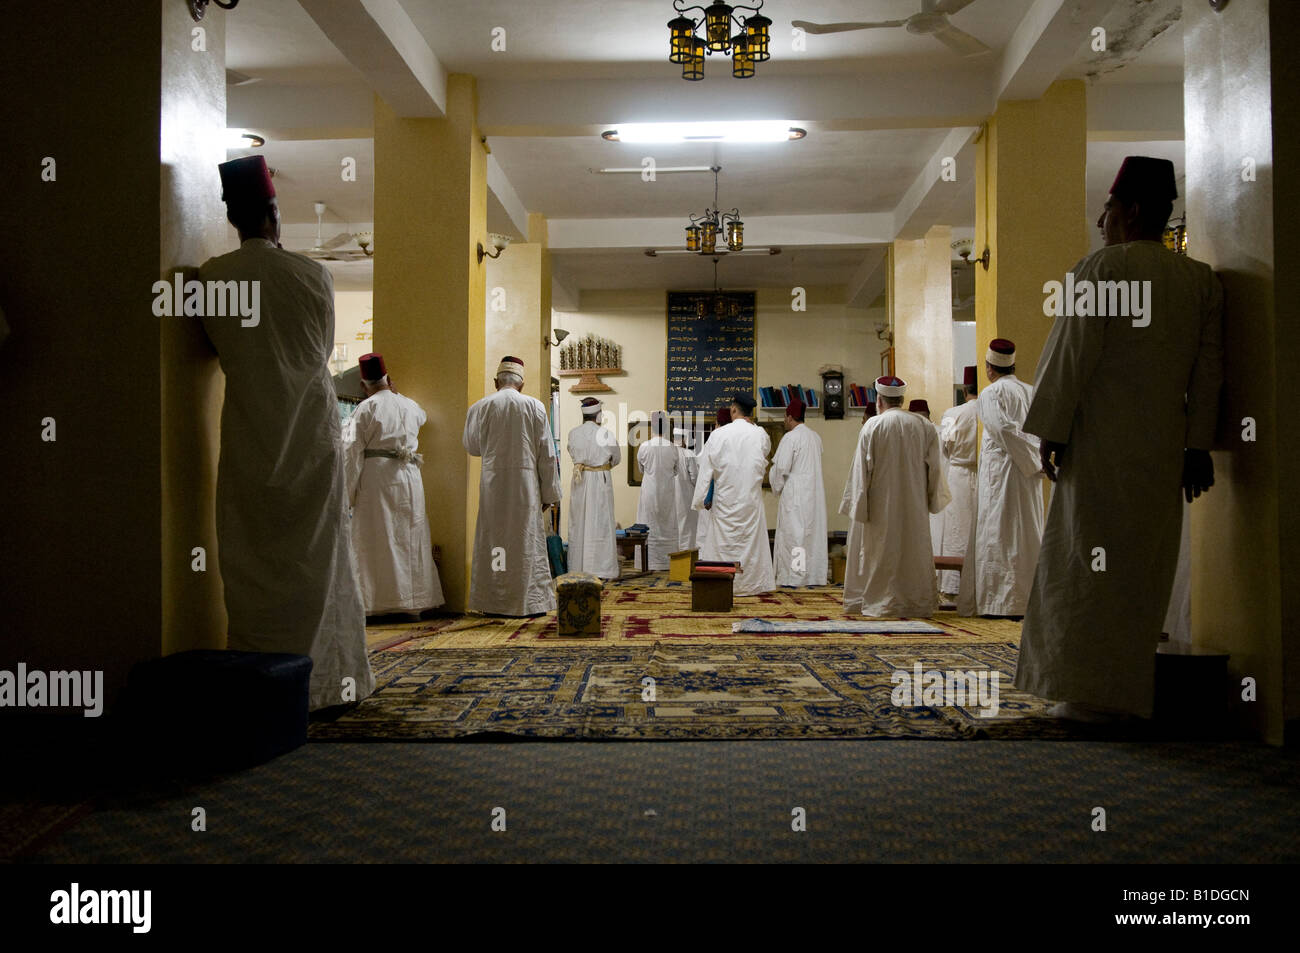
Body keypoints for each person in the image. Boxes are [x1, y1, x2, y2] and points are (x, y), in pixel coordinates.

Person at [1016, 156, 1223, 721]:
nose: (1101, 221)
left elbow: (1070, 357)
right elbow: (1209, 373)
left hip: (1100, 446)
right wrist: (1197, 446)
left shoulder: (1102, 270)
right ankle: (1129, 693)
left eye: (1106, 210)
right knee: (1142, 566)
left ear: (1130, 210)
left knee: (1086, 561)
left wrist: (1052, 433)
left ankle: (1085, 695)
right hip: (1162, 451)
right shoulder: (1199, 281)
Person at [199, 155, 373, 710]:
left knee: (252, 550)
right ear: (275, 212)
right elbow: (320, 350)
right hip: (310, 432)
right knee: (317, 550)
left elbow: (220, 346)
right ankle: (321, 679)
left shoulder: (210, 278)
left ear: (232, 216)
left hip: (250, 428)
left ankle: (260, 676)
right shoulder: (310, 274)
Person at [839, 376, 950, 617]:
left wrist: (859, 507)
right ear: (901, 399)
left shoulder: (873, 426)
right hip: (914, 504)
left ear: (879, 400)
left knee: (882, 553)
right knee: (914, 552)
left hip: (882, 505)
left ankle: (882, 602)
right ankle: (916, 603)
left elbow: (861, 471)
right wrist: (931, 500)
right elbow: (935, 468)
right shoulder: (924, 425)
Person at [345, 352, 444, 617]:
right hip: (410, 476)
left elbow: (351, 451)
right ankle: (413, 601)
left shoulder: (364, 409)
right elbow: (422, 416)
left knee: (378, 537)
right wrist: (397, 394)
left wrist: (348, 494)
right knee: (410, 535)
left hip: (378, 478)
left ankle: (377, 603)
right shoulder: (409, 405)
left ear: (364, 385)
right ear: (389, 379)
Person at [463, 356, 562, 615]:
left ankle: (496, 600)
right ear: (522, 384)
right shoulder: (534, 406)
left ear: (496, 382)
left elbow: (472, 446)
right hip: (525, 487)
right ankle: (528, 601)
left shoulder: (480, 407)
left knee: (497, 541)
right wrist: (549, 493)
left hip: (493, 484)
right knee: (524, 540)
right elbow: (547, 455)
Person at [956, 339, 1045, 619]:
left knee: (1001, 534)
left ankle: (1001, 603)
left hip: (1004, 474)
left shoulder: (992, 393)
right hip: (1027, 472)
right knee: (1024, 534)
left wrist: (1033, 460)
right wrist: (1038, 461)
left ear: (989, 368)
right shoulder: (1030, 391)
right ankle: (1025, 599)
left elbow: (1003, 430)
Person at [692, 392, 776, 596]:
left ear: (733, 410)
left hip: (725, 501)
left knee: (723, 544)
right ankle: (752, 585)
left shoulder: (719, 435)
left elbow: (706, 470)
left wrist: (700, 500)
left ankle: (722, 582)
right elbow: (764, 455)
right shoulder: (761, 434)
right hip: (750, 501)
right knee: (750, 543)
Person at [770, 396, 829, 586]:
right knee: (810, 538)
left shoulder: (791, 437)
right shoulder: (816, 437)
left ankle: (796, 577)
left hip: (796, 496)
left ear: (789, 417)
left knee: (796, 538)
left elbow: (781, 468)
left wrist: (776, 487)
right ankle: (813, 576)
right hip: (814, 495)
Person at [934, 371, 979, 598]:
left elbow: (945, 446)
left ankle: (954, 589)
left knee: (957, 531)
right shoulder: (987, 410)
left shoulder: (953, 413)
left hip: (959, 474)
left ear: (964, 390)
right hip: (985, 475)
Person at [566, 396, 620, 579]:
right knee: (601, 522)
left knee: (579, 522)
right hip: (600, 480)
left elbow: (571, 451)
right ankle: (601, 568)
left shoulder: (573, 433)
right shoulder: (606, 434)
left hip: (580, 480)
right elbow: (616, 457)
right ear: (598, 415)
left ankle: (578, 566)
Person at [635, 411, 679, 570]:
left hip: (649, 491)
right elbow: (676, 471)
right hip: (667, 491)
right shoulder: (672, 448)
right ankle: (668, 562)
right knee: (667, 524)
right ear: (666, 427)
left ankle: (647, 562)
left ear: (651, 427)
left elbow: (641, 469)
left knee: (649, 524)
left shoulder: (644, 447)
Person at [693, 406, 732, 558]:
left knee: (705, 530)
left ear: (717, 423)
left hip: (711, 491)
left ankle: (705, 561)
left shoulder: (715, 437)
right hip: (728, 492)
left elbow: (703, 465)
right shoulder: (734, 436)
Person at [673, 426, 700, 551]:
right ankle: (686, 557)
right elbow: (695, 477)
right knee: (687, 527)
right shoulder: (689, 454)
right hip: (685, 496)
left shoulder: (668, 453)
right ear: (684, 439)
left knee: (673, 526)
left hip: (669, 496)